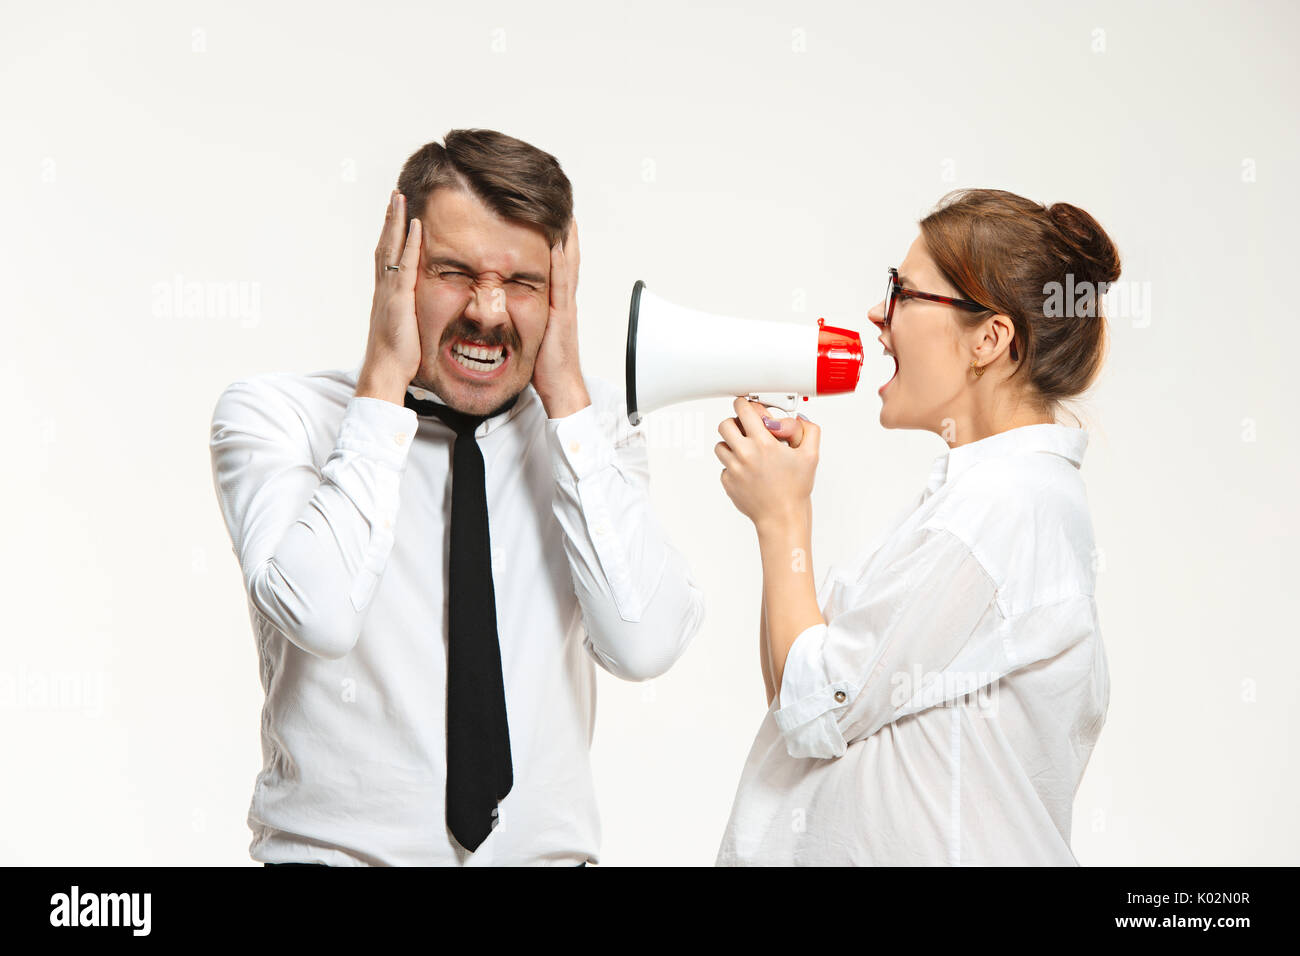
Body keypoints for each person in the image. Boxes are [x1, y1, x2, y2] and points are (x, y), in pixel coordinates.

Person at [208, 129, 704, 866]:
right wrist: (381, 384)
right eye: (454, 272)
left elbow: (643, 644)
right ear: (396, 269)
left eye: (524, 283)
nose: (489, 310)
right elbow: (321, 614)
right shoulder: (274, 416)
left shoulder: (589, 430)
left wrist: (567, 397)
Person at [713, 188, 1118, 865]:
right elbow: (798, 692)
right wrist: (778, 513)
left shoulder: (1002, 510)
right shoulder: (982, 500)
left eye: (903, 291)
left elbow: (817, 710)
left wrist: (783, 517)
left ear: (989, 338)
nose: (878, 312)